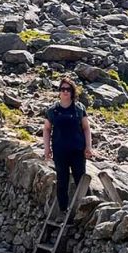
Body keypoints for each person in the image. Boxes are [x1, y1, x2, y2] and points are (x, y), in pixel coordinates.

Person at [43, 77, 93, 213]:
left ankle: (87, 209)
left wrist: (88, 147)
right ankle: (63, 210)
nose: (65, 92)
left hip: (77, 150)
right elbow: (47, 129)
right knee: (62, 181)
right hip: (60, 152)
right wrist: (47, 148)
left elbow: (86, 128)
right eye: (62, 89)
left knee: (81, 180)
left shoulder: (79, 108)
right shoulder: (52, 110)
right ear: (59, 91)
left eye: (68, 89)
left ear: (72, 92)